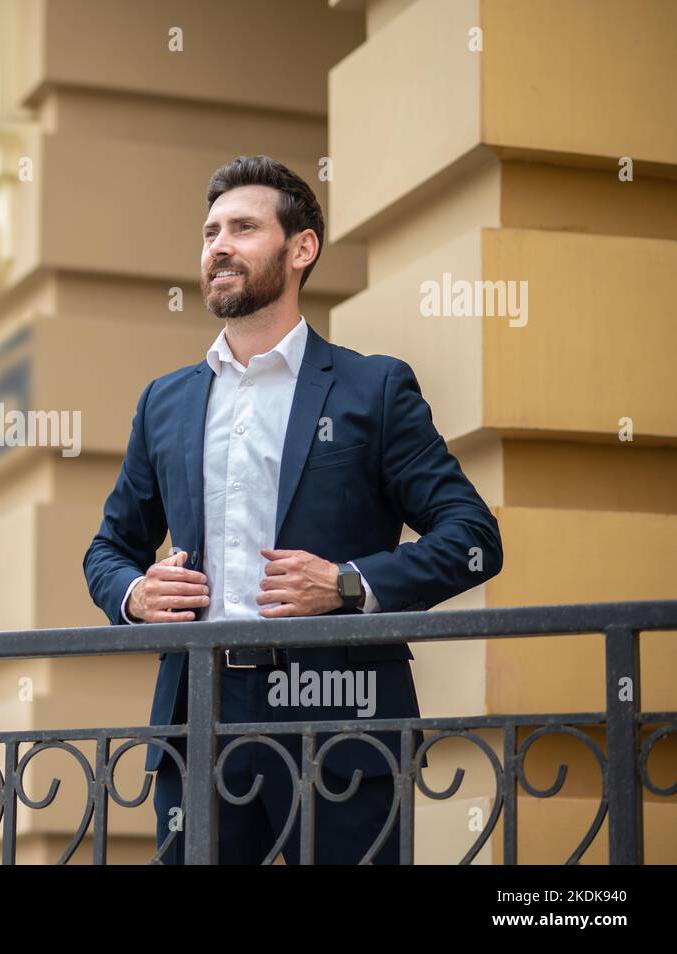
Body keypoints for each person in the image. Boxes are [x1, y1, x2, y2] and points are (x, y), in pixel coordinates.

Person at [82, 155, 503, 864]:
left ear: (301, 248)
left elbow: (474, 538)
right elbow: (108, 550)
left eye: (244, 228)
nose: (219, 246)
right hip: (200, 717)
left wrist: (346, 584)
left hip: (342, 721)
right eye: (211, 231)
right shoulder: (166, 402)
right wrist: (135, 594)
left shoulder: (373, 389)